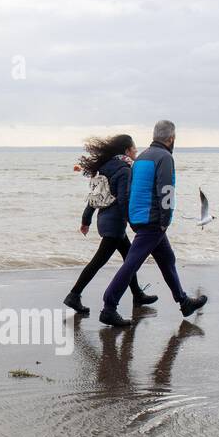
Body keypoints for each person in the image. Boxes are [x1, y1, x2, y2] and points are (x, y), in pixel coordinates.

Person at [100, 120, 208, 327]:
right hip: (154, 220)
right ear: (171, 138)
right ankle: (109, 307)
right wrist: (165, 220)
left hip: (140, 218)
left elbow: (130, 191)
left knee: (167, 258)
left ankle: (184, 301)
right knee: (132, 263)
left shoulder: (141, 157)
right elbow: (166, 190)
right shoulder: (165, 157)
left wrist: (131, 218)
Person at [63, 135, 157, 315]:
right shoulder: (125, 170)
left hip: (105, 220)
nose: (136, 152)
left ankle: (137, 294)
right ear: (127, 151)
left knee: (130, 258)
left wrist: (86, 219)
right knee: (99, 261)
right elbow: (123, 200)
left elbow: (95, 197)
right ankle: (74, 295)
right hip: (114, 225)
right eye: (134, 148)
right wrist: (133, 222)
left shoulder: (106, 168)